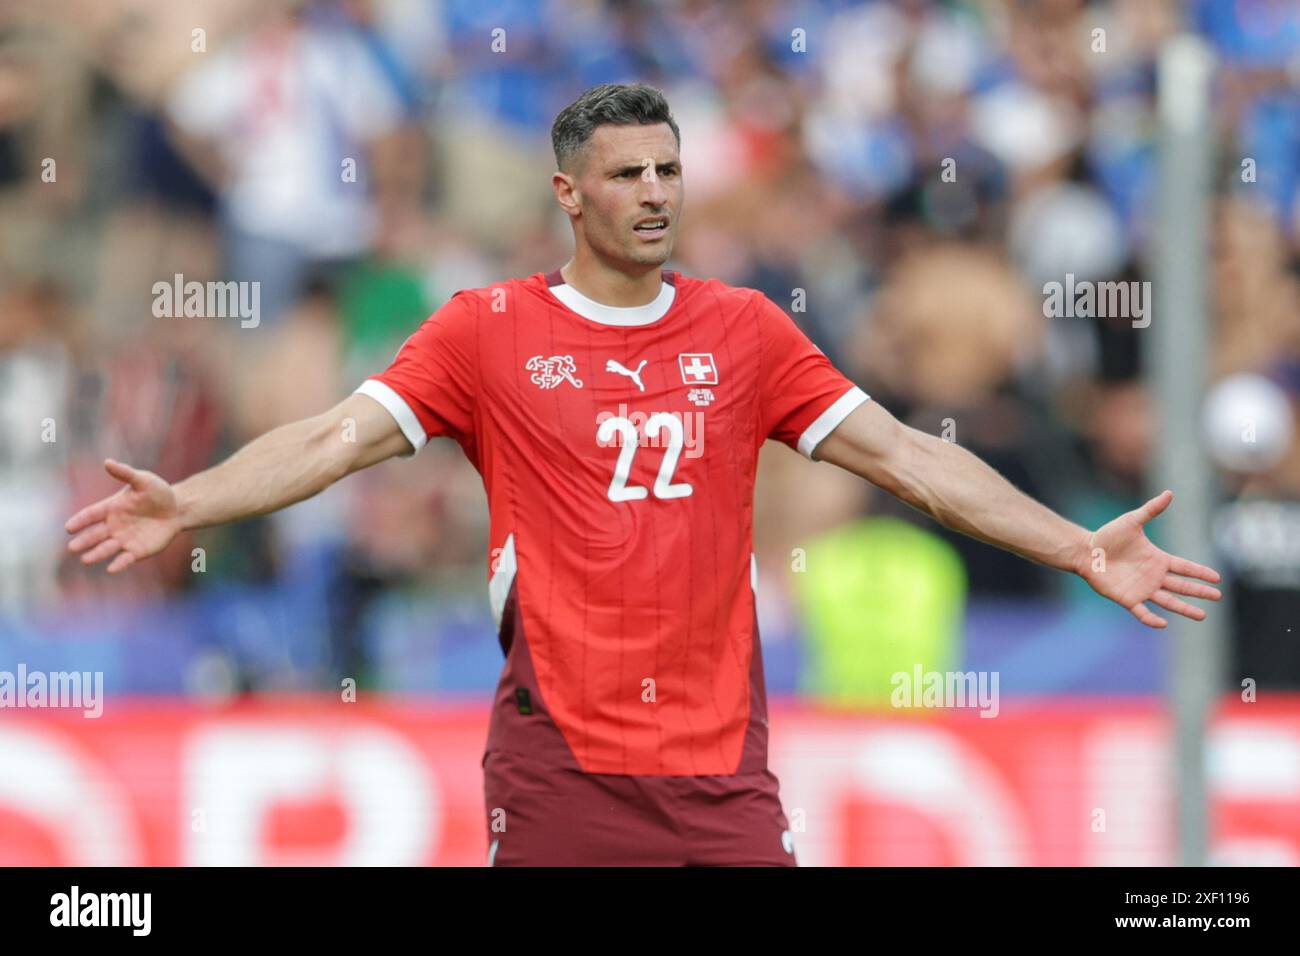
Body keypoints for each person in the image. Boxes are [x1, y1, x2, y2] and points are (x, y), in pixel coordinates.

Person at [65, 83, 1222, 867]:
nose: (657, 191)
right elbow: (330, 439)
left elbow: (912, 458)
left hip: (721, 773)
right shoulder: (485, 332)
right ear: (570, 194)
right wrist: (194, 499)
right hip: (560, 762)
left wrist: (1076, 545)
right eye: (627, 174)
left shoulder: (748, 332)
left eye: (670, 169)